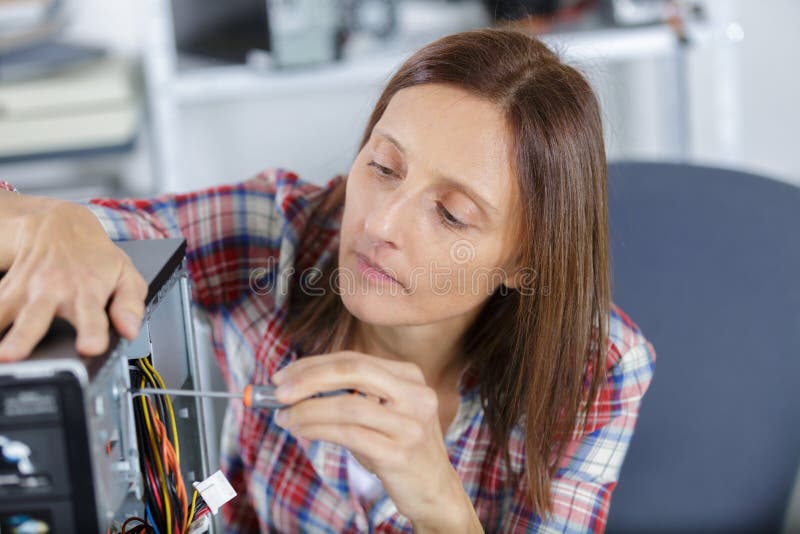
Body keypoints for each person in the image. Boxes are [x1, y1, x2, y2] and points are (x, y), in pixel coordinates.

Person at [0, 27, 656, 533]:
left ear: (525, 260)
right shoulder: (276, 234)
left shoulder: (595, 370)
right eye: (385, 168)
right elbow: (75, 239)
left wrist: (440, 506)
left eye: (452, 214)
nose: (381, 225)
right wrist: (44, 219)